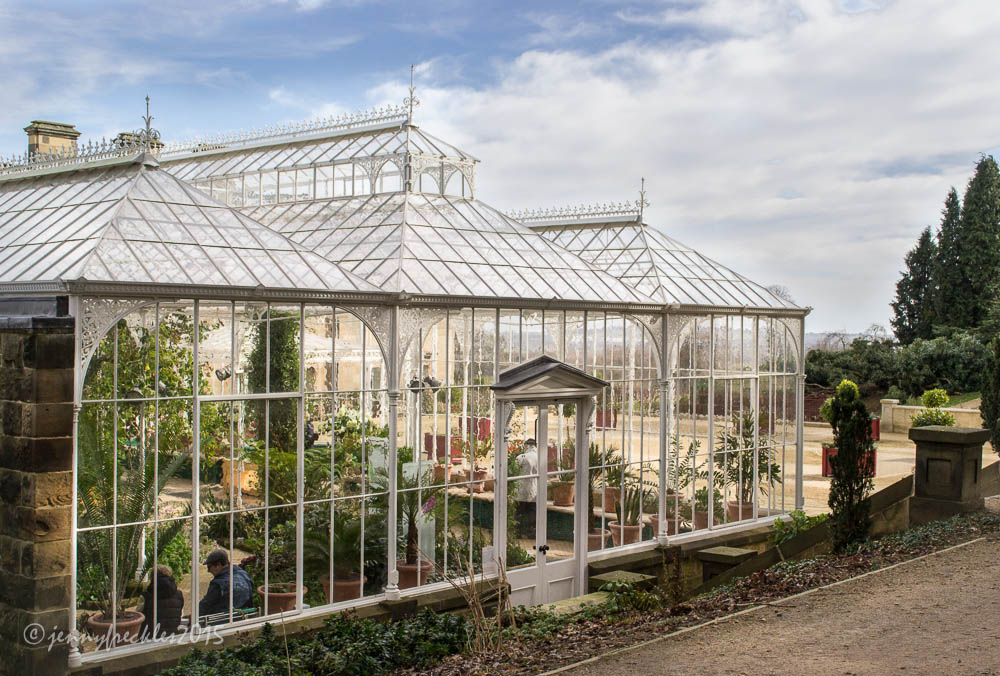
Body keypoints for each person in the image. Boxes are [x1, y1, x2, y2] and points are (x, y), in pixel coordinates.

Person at [198, 549, 253, 620]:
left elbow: (205, 606)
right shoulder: (244, 574)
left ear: (218, 565)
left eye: (209, 567)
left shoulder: (218, 584)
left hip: (223, 622)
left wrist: (194, 617)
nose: (208, 571)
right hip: (245, 617)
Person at [138, 564, 184, 640]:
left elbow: (139, 615)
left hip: (148, 636)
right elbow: (180, 614)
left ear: (152, 576)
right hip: (171, 635)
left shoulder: (146, 595)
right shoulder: (179, 594)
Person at [514, 439, 539, 538]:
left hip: (521, 489)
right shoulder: (540, 457)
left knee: (519, 511)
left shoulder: (521, 457)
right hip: (534, 489)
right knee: (532, 512)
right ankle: (531, 533)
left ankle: (516, 533)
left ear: (527, 446)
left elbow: (515, 470)